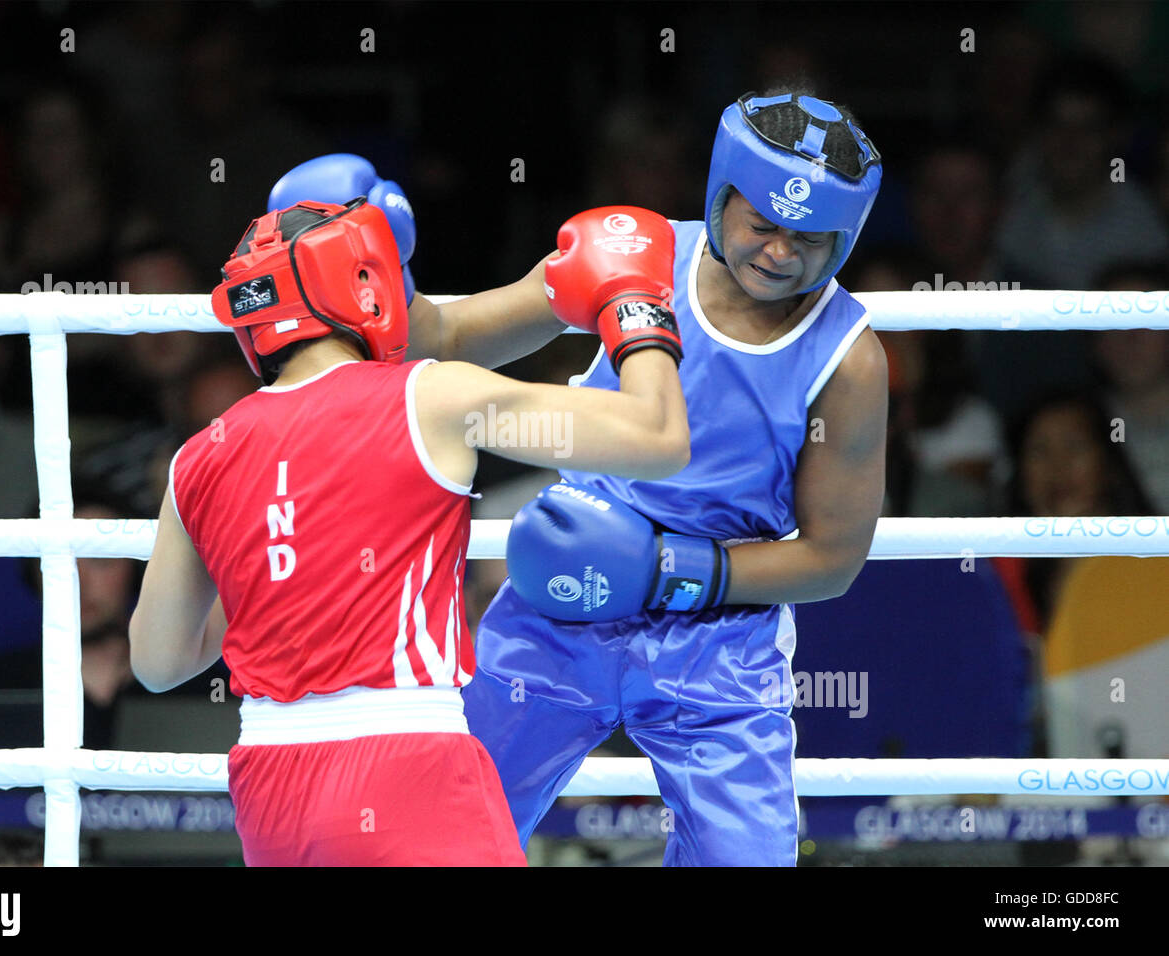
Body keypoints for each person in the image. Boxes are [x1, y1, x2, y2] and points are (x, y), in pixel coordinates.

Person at [271, 89, 888, 865]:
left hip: (721, 636)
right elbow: (448, 336)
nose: (779, 252)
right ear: (721, 195)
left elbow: (831, 560)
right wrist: (366, 261)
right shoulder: (636, 255)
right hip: (562, 601)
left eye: (809, 238)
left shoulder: (849, 358)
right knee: (437, 836)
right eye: (762, 225)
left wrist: (669, 574)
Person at [128, 196, 693, 865]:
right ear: (361, 284)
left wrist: (286, 568)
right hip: (408, 771)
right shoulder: (432, 399)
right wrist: (635, 304)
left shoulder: (199, 456)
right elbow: (659, 437)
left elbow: (158, 663)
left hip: (268, 789)